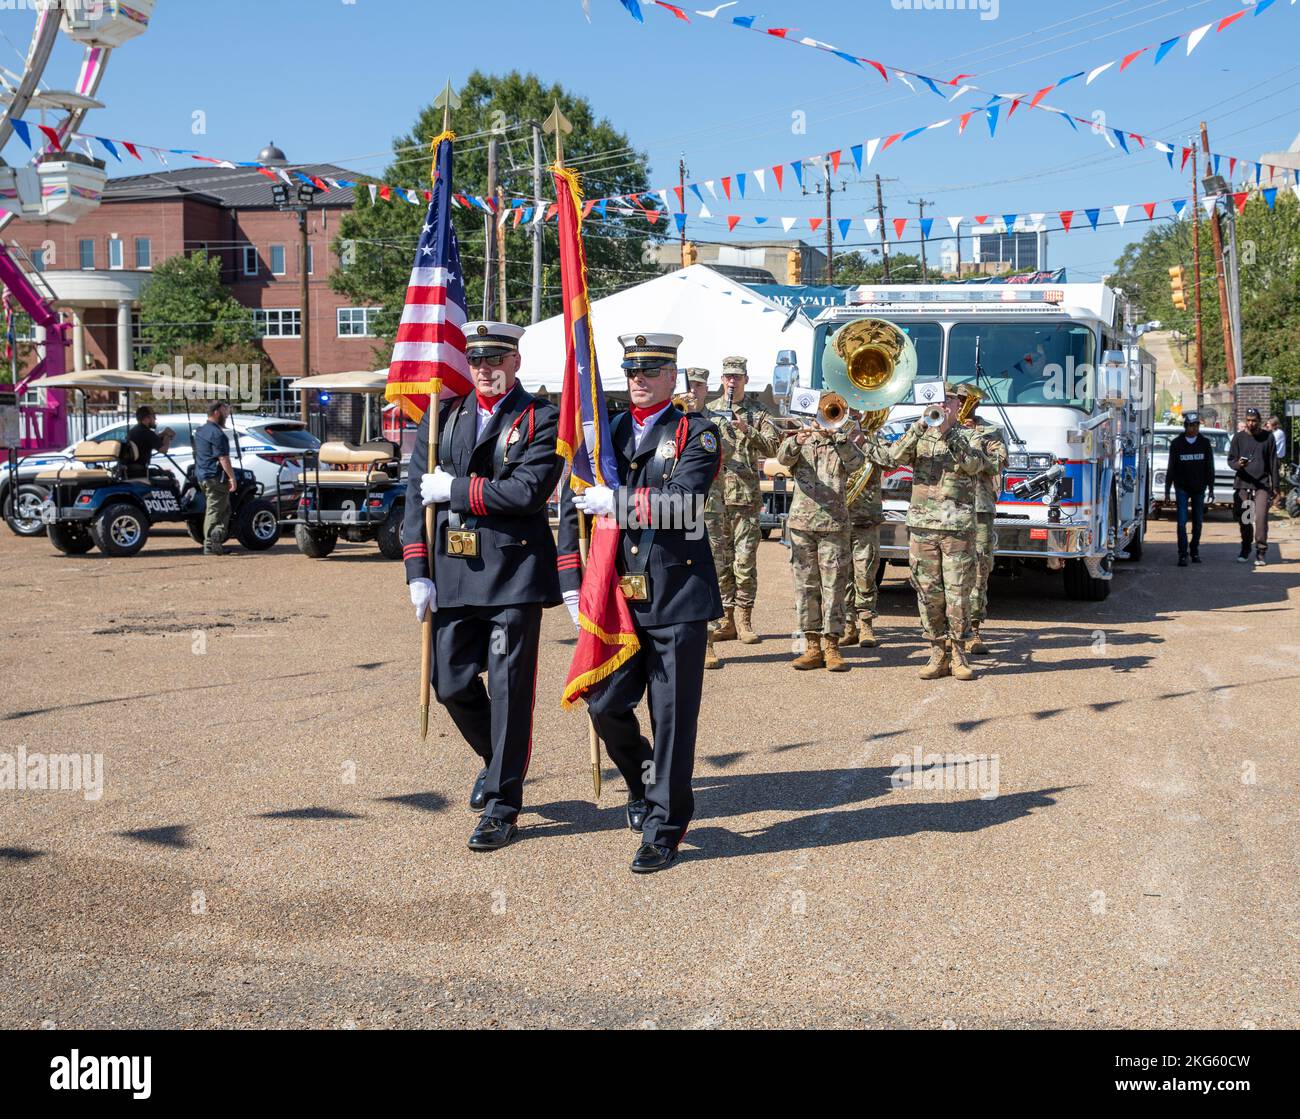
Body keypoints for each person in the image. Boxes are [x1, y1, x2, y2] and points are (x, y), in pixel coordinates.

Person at [557, 332, 722, 874]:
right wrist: (570, 577)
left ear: (673, 377)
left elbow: (686, 505)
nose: (640, 380)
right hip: (617, 597)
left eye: (651, 370)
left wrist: (621, 502)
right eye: (633, 371)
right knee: (604, 705)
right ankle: (644, 778)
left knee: (672, 718)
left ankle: (665, 827)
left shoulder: (696, 433)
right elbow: (574, 506)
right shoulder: (603, 434)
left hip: (676, 597)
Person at [405, 321, 564, 853]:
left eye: (495, 360)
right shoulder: (444, 417)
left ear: (515, 362)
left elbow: (525, 492)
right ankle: (498, 761)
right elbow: (414, 497)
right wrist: (416, 570)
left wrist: (454, 488)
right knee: (448, 685)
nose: (485, 370)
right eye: (476, 361)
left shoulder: (542, 418)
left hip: (512, 577)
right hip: (453, 574)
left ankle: (502, 805)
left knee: (509, 691)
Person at [863, 384, 991, 681]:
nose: (943, 406)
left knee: (958, 593)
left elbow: (974, 465)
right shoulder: (919, 432)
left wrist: (948, 433)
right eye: (938, 401)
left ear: (958, 405)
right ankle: (937, 651)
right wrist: (921, 425)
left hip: (957, 526)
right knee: (928, 593)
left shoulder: (971, 434)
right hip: (922, 526)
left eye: (949, 401)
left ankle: (958, 652)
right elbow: (892, 458)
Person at [775, 417, 864, 672]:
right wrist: (797, 439)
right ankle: (812, 645)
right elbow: (782, 458)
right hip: (802, 525)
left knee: (835, 587)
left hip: (833, 526)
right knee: (805, 587)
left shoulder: (842, 441)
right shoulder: (800, 440)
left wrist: (838, 436)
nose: (825, 420)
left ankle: (832, 645)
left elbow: (857, 463)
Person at [705, 356, 781, 646]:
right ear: (722, 380)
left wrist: (748, 430)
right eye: (727, 376)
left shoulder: (758, 413)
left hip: (746, 498)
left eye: (737, 376)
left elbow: (774, 447)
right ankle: (727, 620)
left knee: (745, 562)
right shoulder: (709, 411)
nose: (732, 381)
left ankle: (746, 619)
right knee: (719, 562)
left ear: (746, 380)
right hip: (716, 499)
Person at [958, 388, 1007, 655]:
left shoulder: (990, 432)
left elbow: (998, 463)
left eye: (967, 401)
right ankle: (949, 630)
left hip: (979, 507)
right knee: (949, 572)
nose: (963, 405)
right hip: (947, 510)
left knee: (979, 569)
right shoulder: (941, 428)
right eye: (958, 400)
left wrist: (971, 444)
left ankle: (974, 629)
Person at [841, 414, 883, 651]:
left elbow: (890, 461)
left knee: (865, 573)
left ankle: (866, 623)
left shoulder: (876, 439)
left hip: (866, 518)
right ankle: (849, 625)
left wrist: (864, 441)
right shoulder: (835, 438)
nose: (852, 416)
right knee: (843, 575)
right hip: (840, 518)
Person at [1227, 407, 1278, 566]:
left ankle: (1261, 552)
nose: (1251, 423)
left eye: (1254, 420)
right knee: (1245, 520)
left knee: (1261, 518)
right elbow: (1231, 460)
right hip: (1243, 485)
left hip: (1262, 485)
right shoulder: (1238, 438)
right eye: (1248, 420)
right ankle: (1245, 547)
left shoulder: (1268, 437)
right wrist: (1238, 464)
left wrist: (1275, 488)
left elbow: (1273, 463)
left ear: (1259, 421)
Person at [1163, 412, 1215, 566]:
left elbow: (1209, 467)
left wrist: (1211, 487)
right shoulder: (1177, 444)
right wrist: (1167, 490)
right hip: (1182, 488)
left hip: (1199, 488)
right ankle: (1182, 554)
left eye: (1197, 425)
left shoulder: (1204, 443)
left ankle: (1194, 550)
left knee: (1198, 522)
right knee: (1181, 522)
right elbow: (1171, 467)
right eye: (1191, 425)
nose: (1194, 428)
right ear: (1186, 426)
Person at [193, 401, 237, 555]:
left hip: (202, 475)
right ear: (217, 412)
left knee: (222, 509)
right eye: (225, 410)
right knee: (215, 510)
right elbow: (223, 458)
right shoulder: (217, 434)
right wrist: (232, 478)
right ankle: (211, 544)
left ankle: (216, 539)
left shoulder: (200, 431)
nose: (227, 414)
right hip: (215, 477)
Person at [119, 405, 175, 479]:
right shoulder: (147, 433)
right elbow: (164, 450)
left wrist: (163, 434)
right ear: (146, 418)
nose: (155, 419)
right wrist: (167, 435)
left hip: (130, 471)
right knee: (170, 476)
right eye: (153, 416)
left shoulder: (134, 431)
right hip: (141, 472)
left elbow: (150, 440)